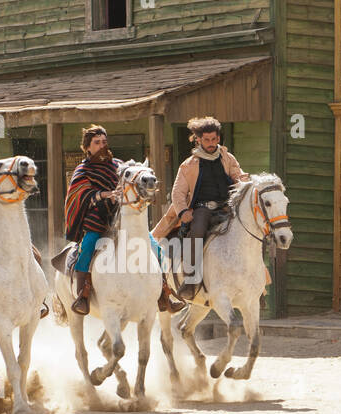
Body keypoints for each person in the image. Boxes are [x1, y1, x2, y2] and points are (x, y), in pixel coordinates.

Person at [63, 125, 183, 316]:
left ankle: (164, 292)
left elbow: (133, 179)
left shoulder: (118, 165)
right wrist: (105, 194)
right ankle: (82, 295)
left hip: (122, 217)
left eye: (104, 142)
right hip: (97, 219)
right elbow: (79, 194)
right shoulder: (82, 170)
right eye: (97, 142)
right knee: (87, 246)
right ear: (87, 147)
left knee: (155, 248)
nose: (102, 145)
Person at [165, 116, 248, 299]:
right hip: (201, 209)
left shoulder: (228, 158)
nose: (211, 143)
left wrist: (242, 179)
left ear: (218, 138)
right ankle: (192, 280)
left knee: (248, 229)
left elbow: (237, 175)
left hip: (226, 207)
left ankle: (253, 281)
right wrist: (183, 212)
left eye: (214, 139)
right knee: (197, 231)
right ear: (199, 140)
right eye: (207, 140)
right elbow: (177, 193)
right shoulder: (188, 165)